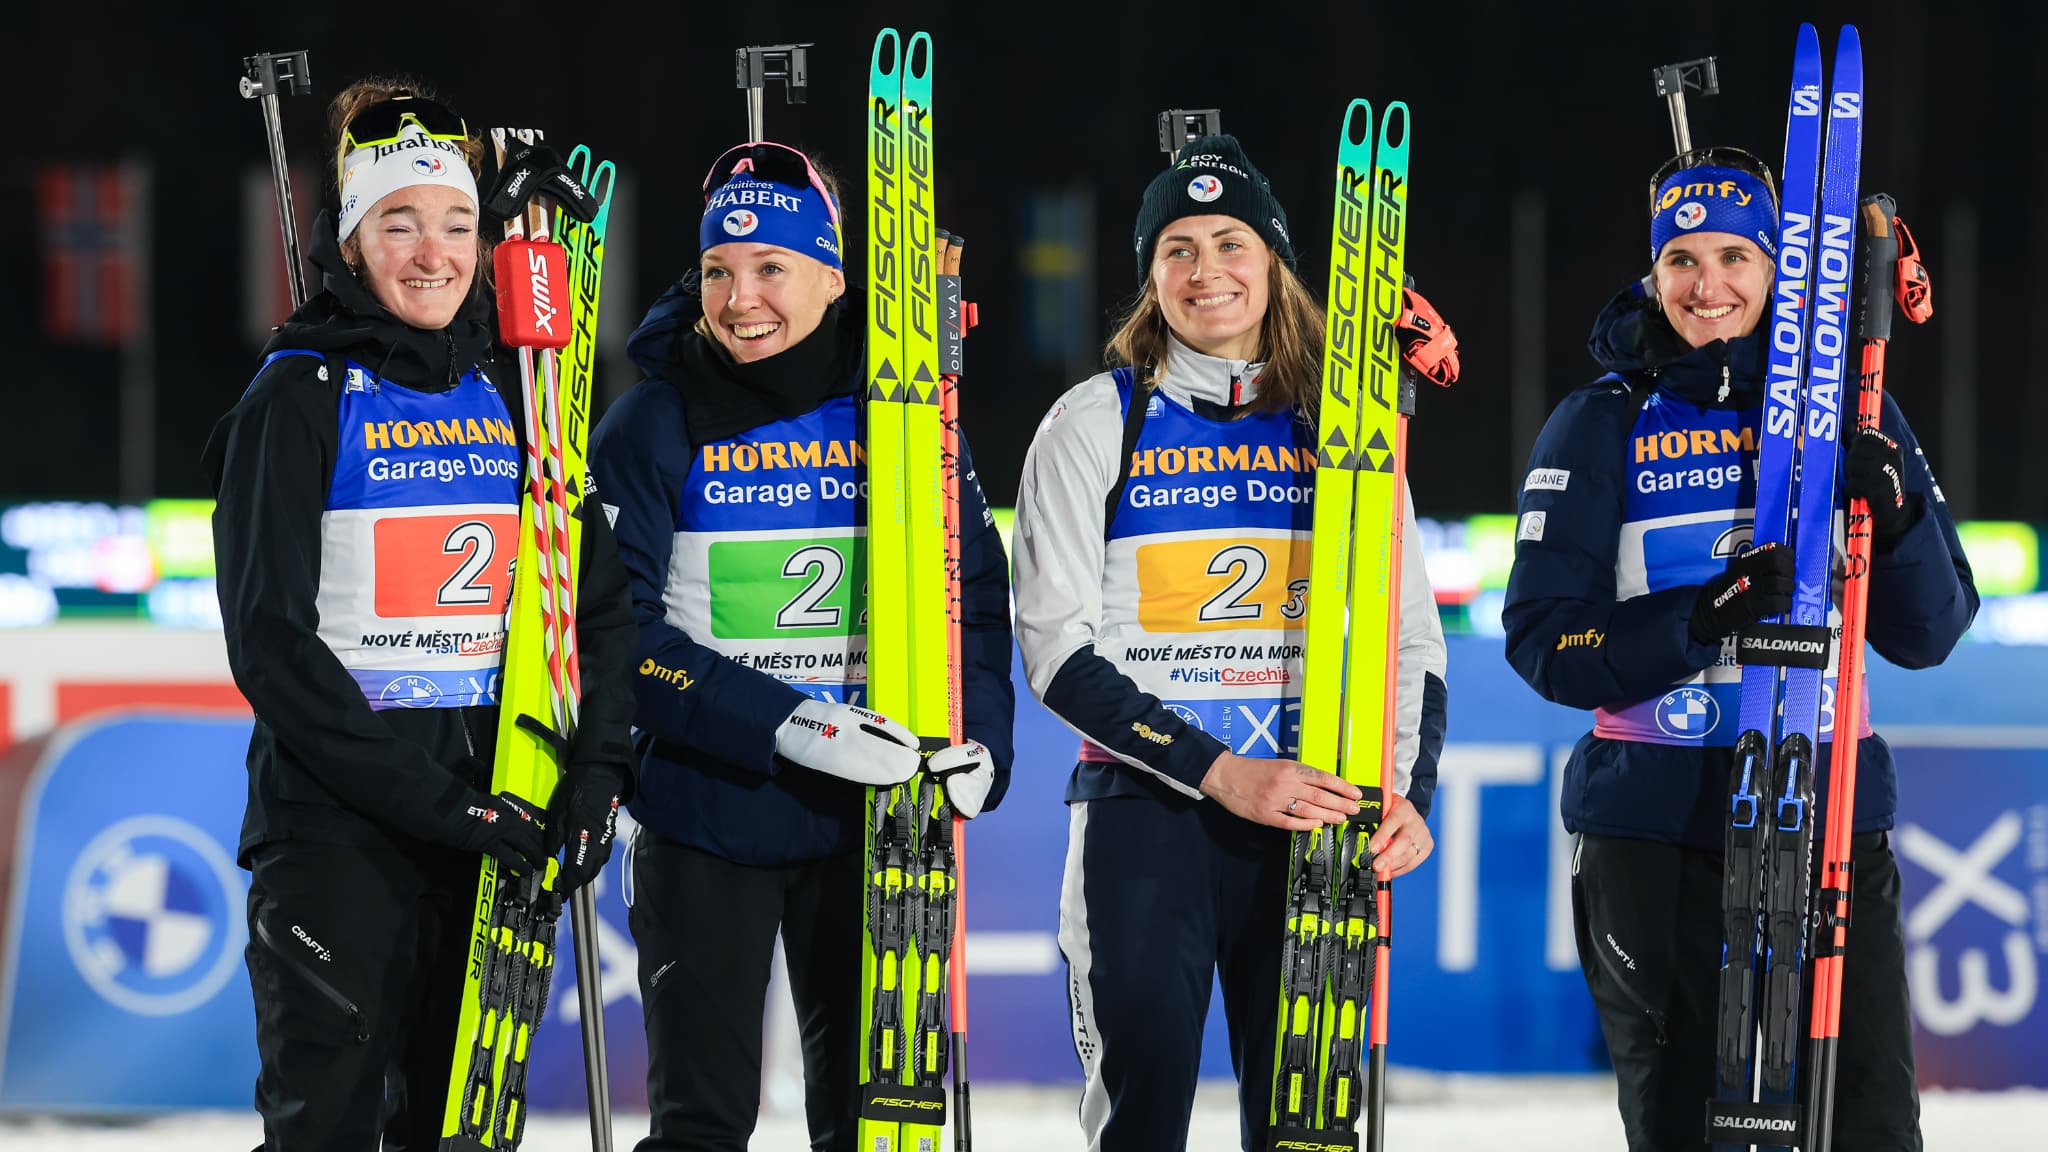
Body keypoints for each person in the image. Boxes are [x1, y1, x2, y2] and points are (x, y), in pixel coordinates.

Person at [1503, 148, 1977, 1151]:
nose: (1705, 284)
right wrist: (1697, 615)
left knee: (1866, 1129)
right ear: (1649, 273)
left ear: (1778, 270)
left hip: (1826, 817)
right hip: (1652, 825)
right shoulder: (1599, 424)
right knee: (1688, 1128)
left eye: (1733, 256)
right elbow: (1544, 643)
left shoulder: (1853, 410)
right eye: (1678, 259)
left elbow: (1929, 633)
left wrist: (1890, 519)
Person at [204, 80, 637, 1151]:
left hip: (499, 823)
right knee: (329, 1130)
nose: (431, 253)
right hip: (340, 839)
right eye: (398, 224)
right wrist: (442, 804)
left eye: (456, 223)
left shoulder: (521, 389)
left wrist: (596, 773)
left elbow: (601, 602)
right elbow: (271, 645)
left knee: (463, 1135)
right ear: (351, 242)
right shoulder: (297, 395)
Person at [1011, 134, 1450, 1150]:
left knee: (1304, 1127)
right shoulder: (1094, 422)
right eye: (1176, 248)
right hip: (1143, 815)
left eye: (1229, 242)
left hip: (1314, 813)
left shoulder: (1338, 431)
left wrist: (1405, 793)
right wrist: (1218, 774)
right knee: (1143, 1111)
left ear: (1272, 261)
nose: (1205, 270)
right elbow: (1054, 653)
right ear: (1146, 275)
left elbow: (1410, 640)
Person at [590, 140, 1016, 1152]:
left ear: (832, 275)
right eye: (717, 273)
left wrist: (981, 745)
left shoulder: (907, 417)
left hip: (875, 823)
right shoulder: (651, 421)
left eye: (771, 269)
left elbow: (979, 604)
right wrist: (789, 724)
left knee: (874, 1124)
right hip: (704, 812)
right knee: (700, 1123)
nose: (742, 301)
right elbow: (620, 636)